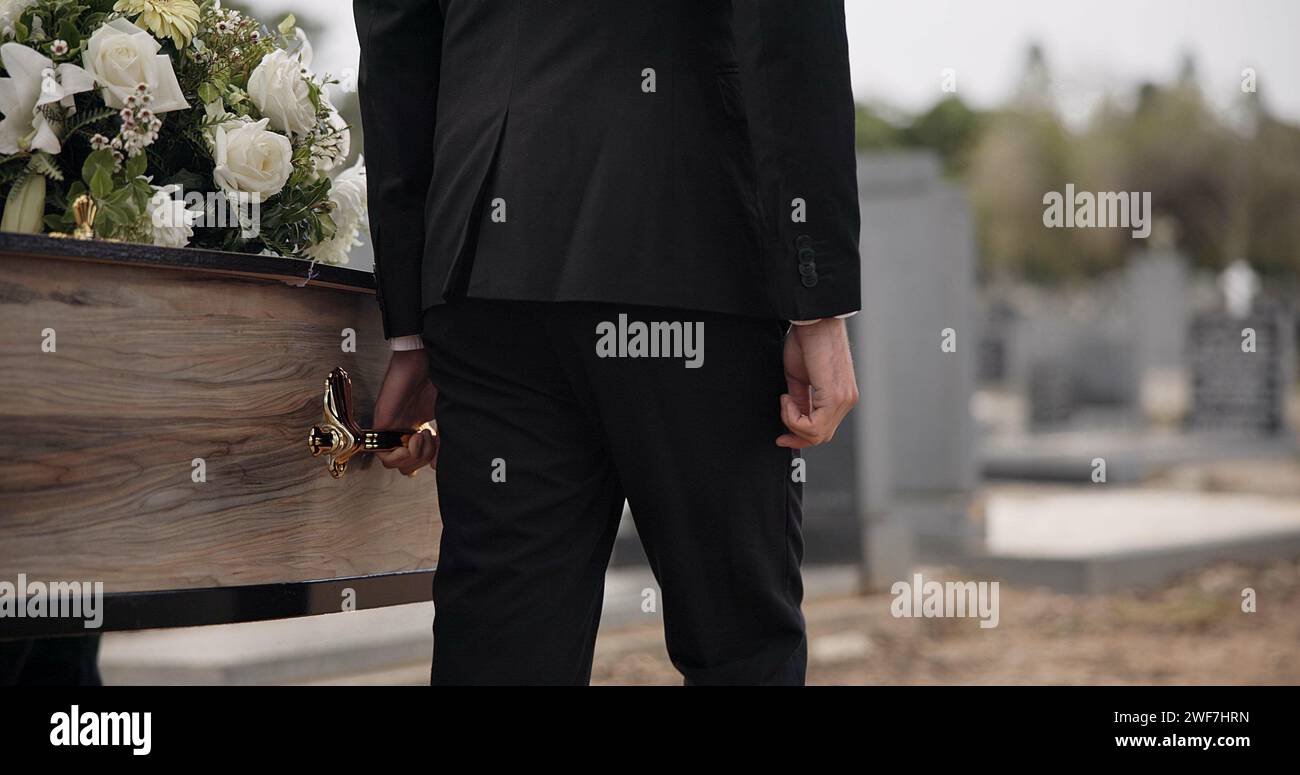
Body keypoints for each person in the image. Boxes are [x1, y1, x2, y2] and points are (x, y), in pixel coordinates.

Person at [354, 0, 860, 685]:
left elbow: (396, 31)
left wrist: (412, 319)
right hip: (690, 243)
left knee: (503, 649)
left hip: (491, 258)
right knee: (740, 647)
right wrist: (817, 297)